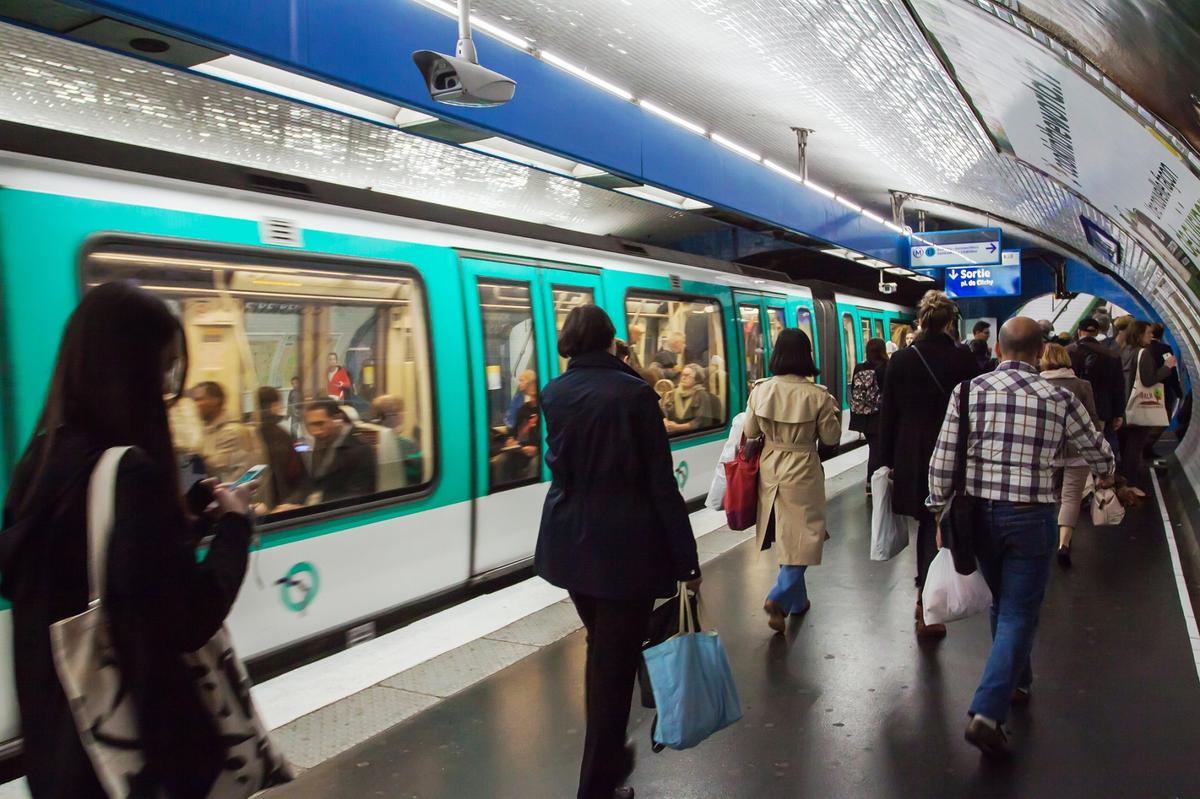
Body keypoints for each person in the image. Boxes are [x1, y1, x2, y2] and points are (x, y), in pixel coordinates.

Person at [0, 282, 262, 797]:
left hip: (60, 741)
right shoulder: (130, 472)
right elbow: (189, 617)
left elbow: (84, 568)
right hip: (137, 752)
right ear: (134, 371)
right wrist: (234, 526)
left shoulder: (41, 458)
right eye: (164, 366)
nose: (168, 384)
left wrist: (182, 524)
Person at [534, 305, 701, 799]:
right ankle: (597, 787)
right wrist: (686, 561)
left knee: (604, 653)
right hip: (624, 551)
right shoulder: (635, 393)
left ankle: (610, 763)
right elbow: (659, 483)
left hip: (569, 546)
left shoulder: (554, 392)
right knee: (613, 667)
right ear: (613, 341)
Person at [928, 317, 1114, 757]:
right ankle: (987, 712)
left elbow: (942, 461)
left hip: (977, 516)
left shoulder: (967, 392)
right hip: (1031, 517)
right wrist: (1108, 478)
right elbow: (1097, 450)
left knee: (1002, 603)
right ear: (1038, 352)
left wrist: (939, 511)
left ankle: (1019, 682)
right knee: (1017, 612)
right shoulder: (1059, 397)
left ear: (997, 348)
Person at [879, 290, 979, 638]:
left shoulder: (902, 360)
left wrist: (882, 462)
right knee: (953, 518)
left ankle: (925, 601)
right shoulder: (963, 360)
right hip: (956, 451)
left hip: (913, 452)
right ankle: (945, 590)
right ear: (951, 321)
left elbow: (887, 413)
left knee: (926, 522)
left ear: (920, 320)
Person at [746, 329, 842, 632]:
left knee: (787, 534)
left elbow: (750, 433)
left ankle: (796, 601)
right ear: (807, 356)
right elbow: (831, 437)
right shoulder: (818, 396)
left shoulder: (760, 390)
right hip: (803, 467)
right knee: (806, 535)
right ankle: (778, 595)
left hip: (771, 466)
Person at [1039, 344, 1100, 568]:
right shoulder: (1083, 385)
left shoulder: (1037, 386)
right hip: (1079, 448)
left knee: (1051, 493)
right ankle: (1064, 543)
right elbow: (1092, 419)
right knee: (1072, 496)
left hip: (1048, 449)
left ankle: (1051, 533)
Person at [1118, 320, 1175, 483]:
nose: (1151, 335)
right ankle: (1131, 482)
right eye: (1148, 332)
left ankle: (1123, 480)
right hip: (1138, 407)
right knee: (1135, 447)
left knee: (1125, 445)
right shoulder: (1143, 353)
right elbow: (1148, 380)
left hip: (1124, 405)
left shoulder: (1124, 351)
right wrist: (1167, 367)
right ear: (1140, 334)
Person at [1067, 317, 1125, 459]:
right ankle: (1105, 475)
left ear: (1079, 332)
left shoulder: (1067, 352)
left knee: (1074, 449)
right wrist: (1118, 413)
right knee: (1100, 445)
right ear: (1097, 332)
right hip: (1102, 410)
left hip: (1072, 409)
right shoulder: (1112, 355)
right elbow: (1118, 387)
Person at [303, 398, 376, 503]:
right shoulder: (323, 440)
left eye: (320, 424)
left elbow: (359, 496)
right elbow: (312, 482)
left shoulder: (360, 449)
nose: (315, 432)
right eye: (310, 426)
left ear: (337, 419)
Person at [191, 381, 262, 485]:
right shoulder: (209, 430)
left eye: (199, 399)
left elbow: (214, 466)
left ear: (215, 401)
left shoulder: (232, 432)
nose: (195, 405)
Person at [257, 386, 308, 510]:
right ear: (276, 405)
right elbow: (299, 476)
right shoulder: (281, 436)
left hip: (267, 506)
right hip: (282, 504)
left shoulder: (254, 435)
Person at [848, 337, 888, 492]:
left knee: (874, 448)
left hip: (863, 417)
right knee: (877, 451)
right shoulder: (886, 367)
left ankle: (874, 481)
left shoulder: (859, 368)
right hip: (880, 416)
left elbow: (853, 391)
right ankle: (873, 482)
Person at [1145, 323, 1182, 461]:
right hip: (1162, 390)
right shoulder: (1165, 349)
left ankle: (1143, 446)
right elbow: (1171, 370)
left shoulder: (1142, 348)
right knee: (1162, 418)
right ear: (1161, 334)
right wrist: (1177, 390)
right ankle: (1147, 446)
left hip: (1143, 389)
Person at [661, 363, 719, 434]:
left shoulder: (701, 395)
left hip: (691, 434)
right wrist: (665, 421)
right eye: (682, 375)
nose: (683, 378)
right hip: (672, 434)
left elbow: (702, 421)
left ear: (697, 379)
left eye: (687, 375)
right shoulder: (671, 394)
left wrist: (677, 427)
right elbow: (663, 413)